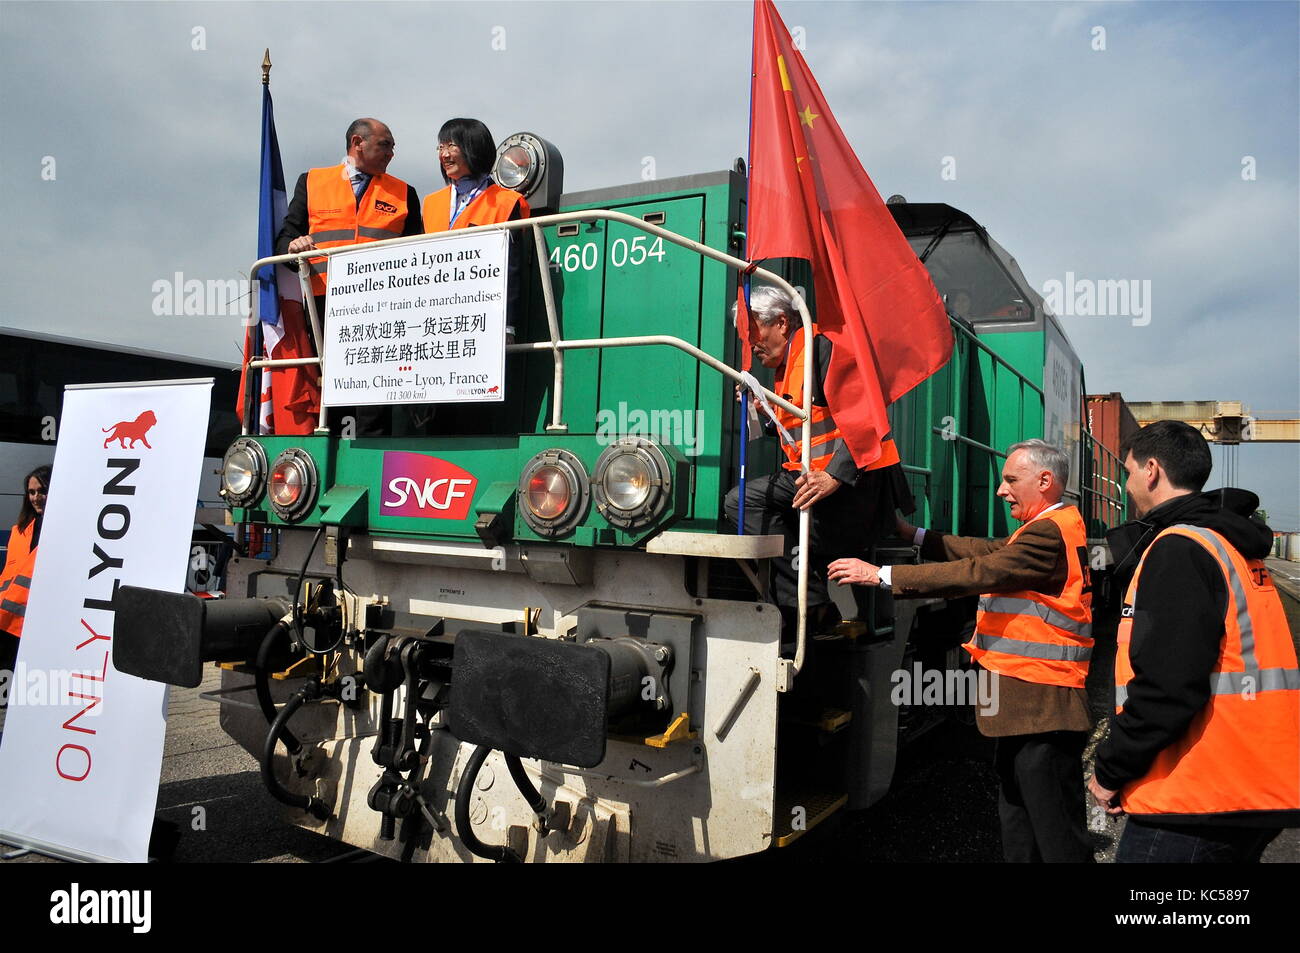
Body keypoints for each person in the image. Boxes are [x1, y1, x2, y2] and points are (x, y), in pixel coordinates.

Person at [829, 439, 1094, 863]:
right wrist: (911, 534)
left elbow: (979, 570)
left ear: (1045, 480)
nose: (1001, 490)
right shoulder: (1049, 525)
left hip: (1044, 707)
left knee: (1058, 836)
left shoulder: (1048, 533)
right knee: (1019, 822)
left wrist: (880, 574)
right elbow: (985, 550)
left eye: (1011, 480)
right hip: (1024, 706)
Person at [1088, 420, 1299, 862]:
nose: (1125, 486)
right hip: (1246, 780)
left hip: (1196, 793)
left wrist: (1110, 767)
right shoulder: (1231, 543)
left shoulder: (1180, 548)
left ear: (1151, 470)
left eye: (1127, 473)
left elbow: (1168, 685)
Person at [724, 284, 913, 638]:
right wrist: (761, 410)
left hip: (858, 485)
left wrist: (834, 478)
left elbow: (869, 417)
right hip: (811, 479)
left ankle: (809, 603)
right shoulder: (790, 362)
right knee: (747, 503)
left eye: (754, 333)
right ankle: (809, 601)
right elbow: (800, 428)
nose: (750, 345)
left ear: (781, 322)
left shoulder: (825, 348)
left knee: (743, 501)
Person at [275, 118, 424, 435]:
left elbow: (419, 256)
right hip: (325, 306)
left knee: (374, 395)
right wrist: (294, 245)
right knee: (330, 391)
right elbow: (284, 240)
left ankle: (369, 465)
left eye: (392, 147)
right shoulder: (313, 182)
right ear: (358, 142)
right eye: (385, 145)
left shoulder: (404, 193)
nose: (391, 154)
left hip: (381, 310)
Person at [423, 117, 530, 329]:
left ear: (474, 148)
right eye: (440, 147)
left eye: (452, 146)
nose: (444, 154)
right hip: (434, 317)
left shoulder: (507, 202)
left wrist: (507, 325)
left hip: (482, 318)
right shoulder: (430, 203)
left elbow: (512, 269)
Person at [0, 465, 51, 705]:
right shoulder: (19, 531)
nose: (35, 497)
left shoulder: (60, 531)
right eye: (31, 492)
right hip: (6, 621)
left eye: (41, 490)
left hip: (37, 624)